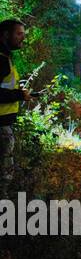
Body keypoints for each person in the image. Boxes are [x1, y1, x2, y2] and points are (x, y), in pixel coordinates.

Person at [0, 18, 30, 180]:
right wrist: (19, 95)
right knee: (4, 175)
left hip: (5, 123)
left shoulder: (6, 57)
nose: (22, 38)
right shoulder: (1, 60)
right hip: (1, 125)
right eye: (19, 34)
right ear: (5, 35)